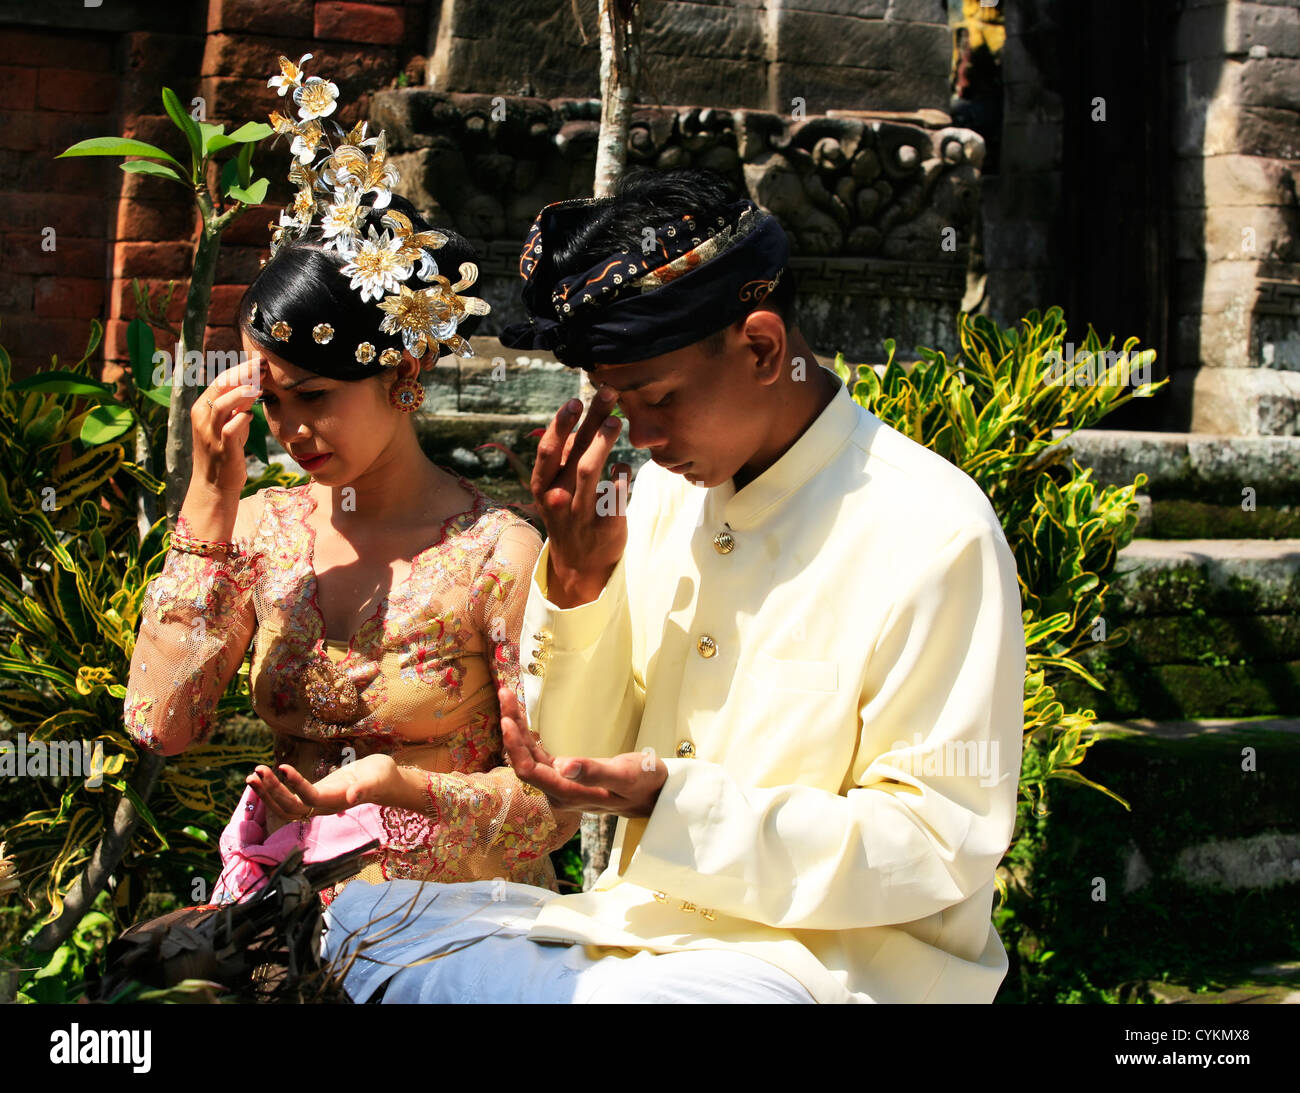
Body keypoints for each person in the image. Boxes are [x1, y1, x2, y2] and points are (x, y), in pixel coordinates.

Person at [320, 167, 1027, 1003]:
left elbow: (935, 843)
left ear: (761, 347)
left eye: (656, 398)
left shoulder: (933, 528)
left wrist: (676, 803)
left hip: (825, 972)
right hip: (632, 939)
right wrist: (579, 581)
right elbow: (569, 773)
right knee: (356, 925)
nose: (641, 437)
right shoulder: (662, 500)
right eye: (618, 403)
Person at [121, 56, 580, 910]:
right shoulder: (261, 531)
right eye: (275, 399)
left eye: (319, 397)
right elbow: (161, 725)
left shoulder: (497, 556)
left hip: (458, 938)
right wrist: (206, 507)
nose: (293, 431)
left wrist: (398, 791)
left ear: (402, 372)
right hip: (281, 930)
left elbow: (555, 806)